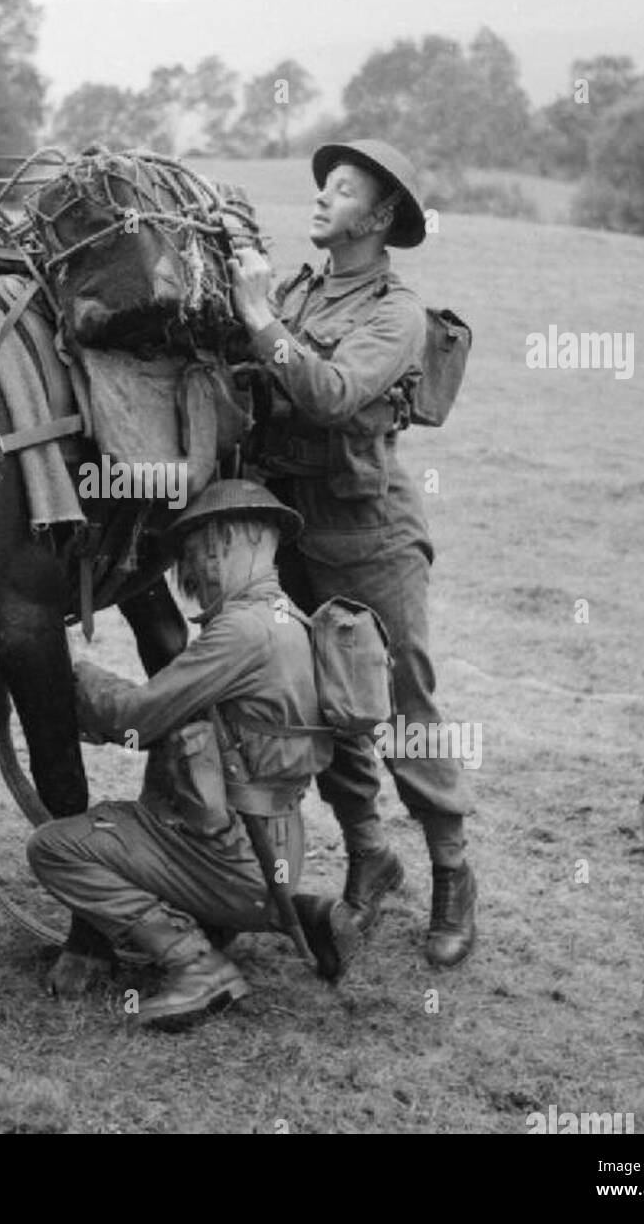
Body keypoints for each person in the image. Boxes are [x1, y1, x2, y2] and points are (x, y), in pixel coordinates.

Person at [228, 139, 477, 968]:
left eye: (343, 191)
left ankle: (451, 872)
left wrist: (261, 321)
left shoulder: (394, 314)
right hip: (290, 524)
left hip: (369, 534)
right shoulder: (300, 288)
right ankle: (370, 851)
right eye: (323, 187)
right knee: (319, 700)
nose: (323, 199)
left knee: (406, 704)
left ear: (377, 219)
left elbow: (330, 396)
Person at [27, 479, 355, 1026]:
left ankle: (196, 965)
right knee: (144, 825)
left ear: (230, 541)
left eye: (195, 554)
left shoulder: (241, 633)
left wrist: (68, 670)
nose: (191, 576)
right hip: (274, 849)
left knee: (56, 848)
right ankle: (296, 912)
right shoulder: (290, 620)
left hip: (232, 856)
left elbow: (134, 720)